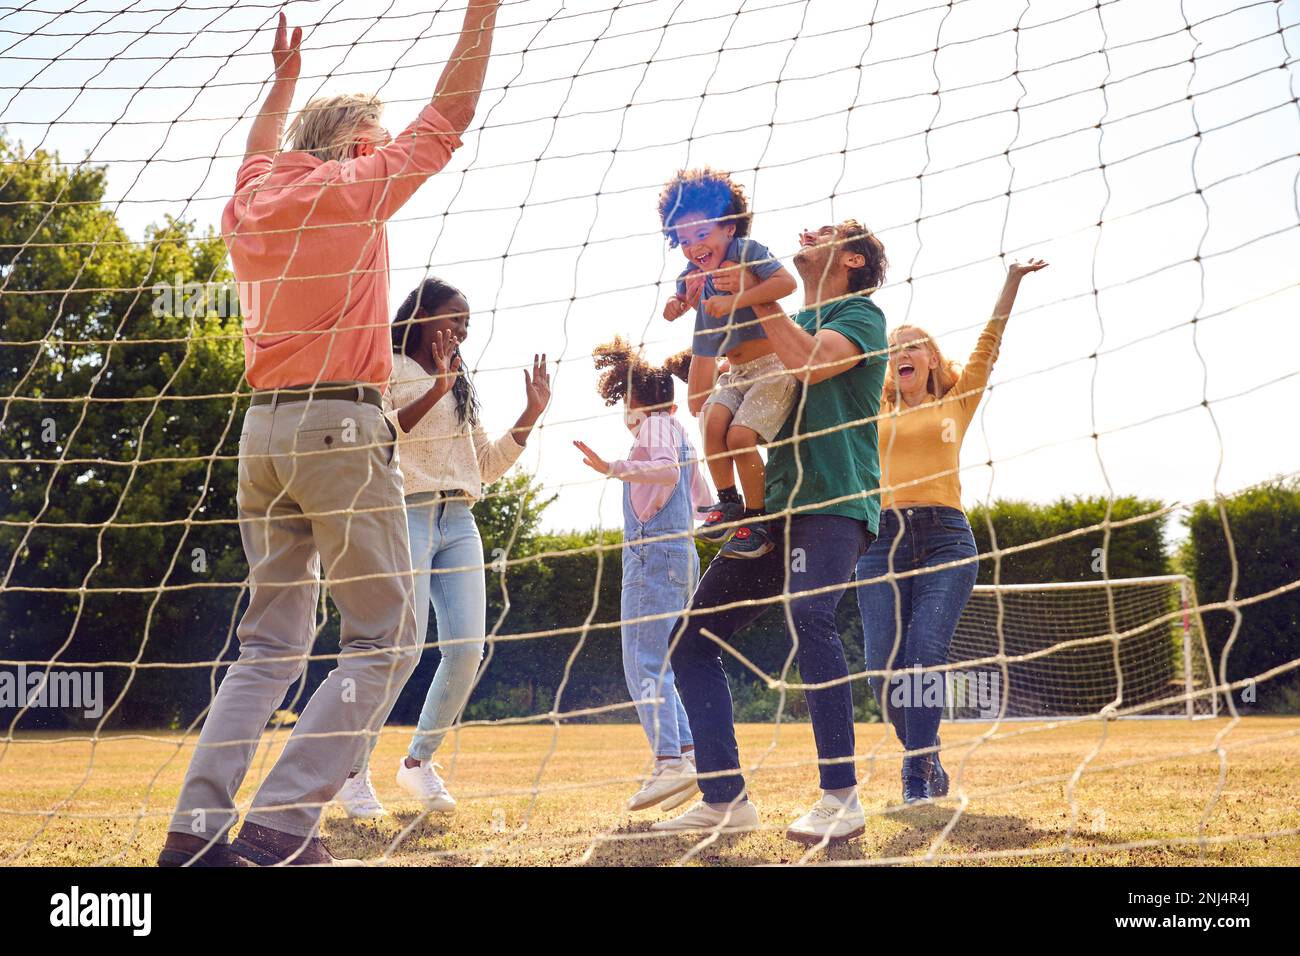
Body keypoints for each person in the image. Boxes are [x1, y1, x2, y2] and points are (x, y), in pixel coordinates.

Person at [157, 3, 502, 867]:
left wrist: (281, 86)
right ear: (355, 143)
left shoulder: (250, 202)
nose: (384, 145)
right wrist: (482, 13)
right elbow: (449, 116)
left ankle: (194, 833)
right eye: (375, 135)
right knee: (386, 637)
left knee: (268, 646)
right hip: (341, 427)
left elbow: (260, 147)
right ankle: (282, 824)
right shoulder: (356, 185)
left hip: (262, 434)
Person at [652, 221, 890, 846]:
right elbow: (708, 390)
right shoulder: (768, 324)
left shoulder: (860, 315)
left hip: (832, 503)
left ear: (854, 258)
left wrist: (760, 296)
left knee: (809, 616)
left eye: (828, 231)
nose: (807, 230)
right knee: (692, 641)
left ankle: (841, 796)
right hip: (768, 511)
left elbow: (812, 366)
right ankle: (725, 799)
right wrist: (705, 310)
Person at [332, 278, 550, 818]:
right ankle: (351, 772)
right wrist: (436, 386)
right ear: (422, 315)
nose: (461, 331)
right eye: (454, 318)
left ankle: (418, 764)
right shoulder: (388, 367)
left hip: (460, 521)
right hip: (405, 515)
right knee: (398, 648)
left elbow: (487, 465)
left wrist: (530, 414)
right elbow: (379, 436)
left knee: (466, 649)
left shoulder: (461, 386)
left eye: (468, 325)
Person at [857, 258, 1048, 804]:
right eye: (894, 347)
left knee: (923, 656)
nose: (902, 351)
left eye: (913, 344)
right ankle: (929, 753)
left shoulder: (956, 400)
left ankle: (915, 777)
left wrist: (1010, 282)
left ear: (933, 357)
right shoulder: (870, 409)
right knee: (882, 672)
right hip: (880, 543)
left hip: (945, 537)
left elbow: (989, 343)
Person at [573, 338, 711, 813]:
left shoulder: (653, 427)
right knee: (665, 664)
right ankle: (689, 757)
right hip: (680, 557)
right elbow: (705, 503)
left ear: (632, 400)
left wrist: (612, 467)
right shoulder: (679, 429)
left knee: (642, 662)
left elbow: (667, 474)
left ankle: (668, 761)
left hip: (652, 558)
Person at [658, 167, 798, 559]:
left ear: (729, 228)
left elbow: (787, 285)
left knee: (739, 437)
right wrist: (675, 305)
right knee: (711, 421)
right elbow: (677, 305)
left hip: (771, 365)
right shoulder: (693, 273)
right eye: (684, 240)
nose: (694, 247)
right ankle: (728, 502)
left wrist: (738, 298)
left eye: (702, 235)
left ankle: (757, 520)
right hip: (734, 373)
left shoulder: (749, 253)